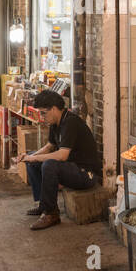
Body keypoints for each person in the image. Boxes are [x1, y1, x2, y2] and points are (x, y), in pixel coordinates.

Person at [16, 90, 99, 231]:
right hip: (71, 167)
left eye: (43, 113)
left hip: (86, 174)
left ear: (54, 109)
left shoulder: (70, 122)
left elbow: (62, 155)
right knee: (33, 160)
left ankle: (51, 214)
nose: (42, 117)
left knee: (49, 165)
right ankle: (43, 204)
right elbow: (50, 146)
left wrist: (34, 157)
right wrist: (29, 157)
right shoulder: (55, 122)